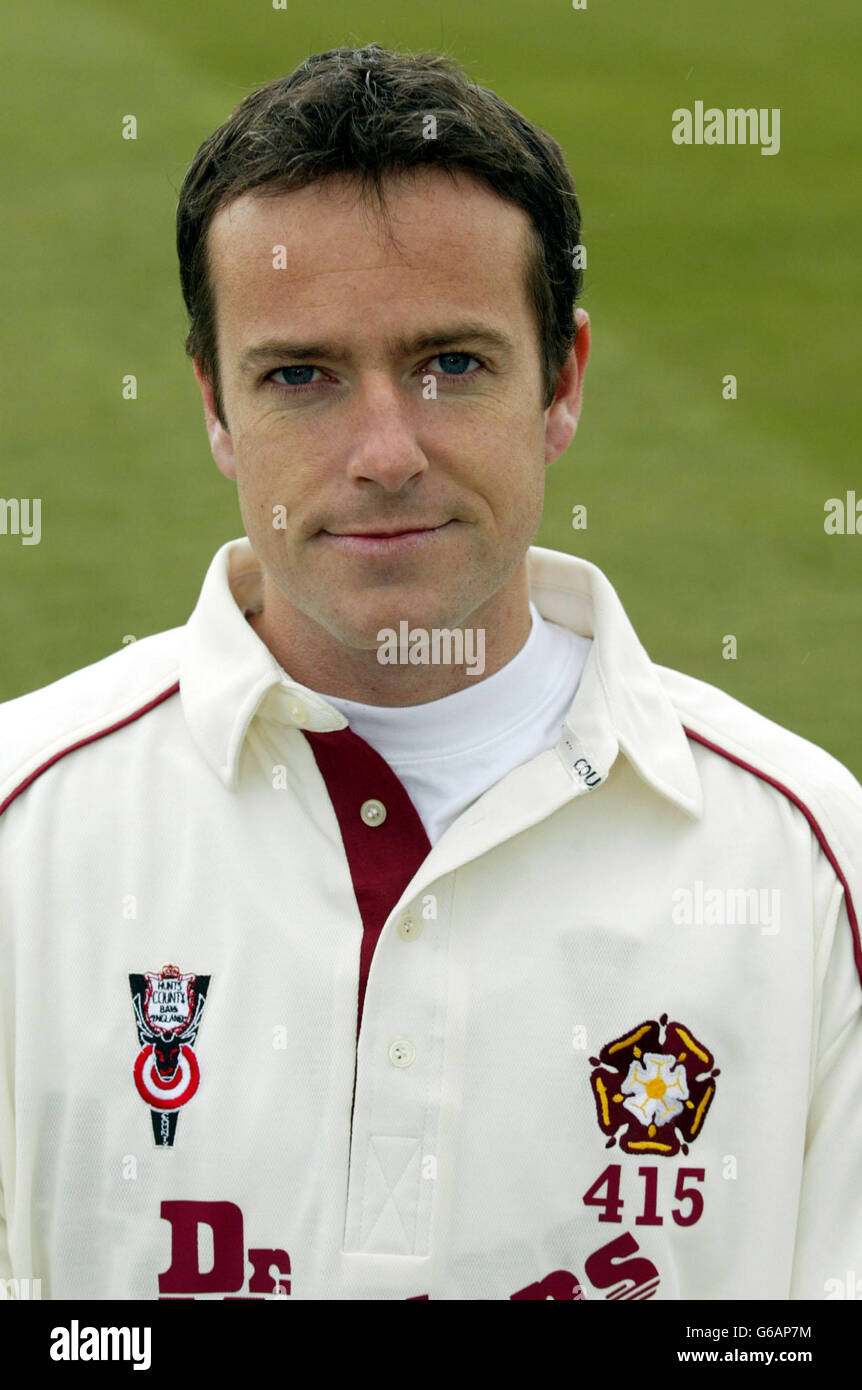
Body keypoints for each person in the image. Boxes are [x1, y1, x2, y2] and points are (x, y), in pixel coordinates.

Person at [0, 43, 859, 1303]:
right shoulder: (24, 831)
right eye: (301, 376)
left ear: (560, 380)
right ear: (214, 406)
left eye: (450, 364)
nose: (385, 453)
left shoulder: (808, 860)